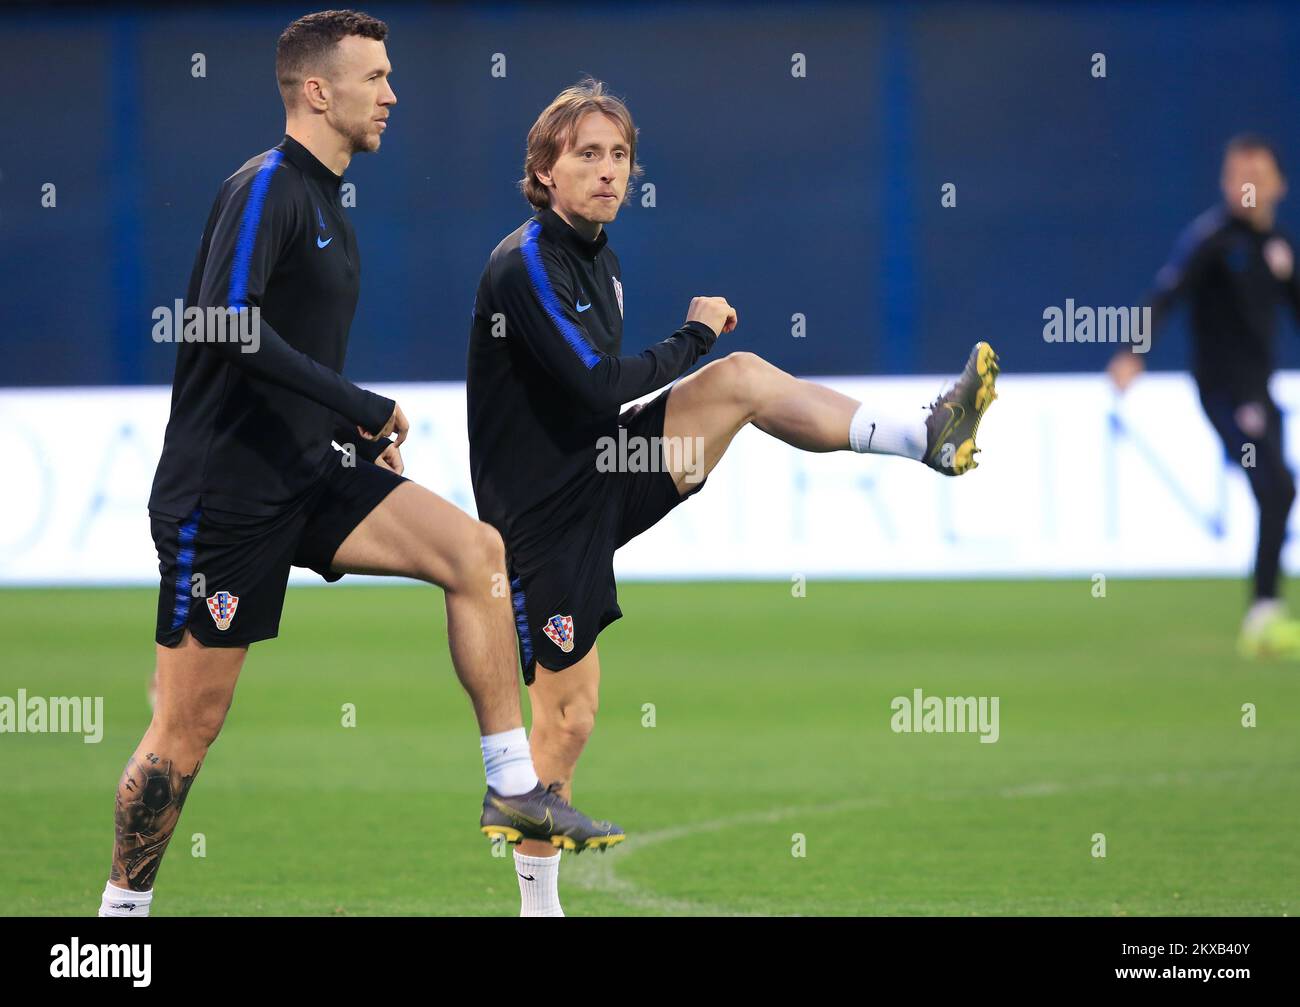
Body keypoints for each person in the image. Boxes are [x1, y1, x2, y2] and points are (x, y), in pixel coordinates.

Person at [101, 11, 616, 919]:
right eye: (374, 77)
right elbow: (226, 325)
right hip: (224, 499)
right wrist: (359, 403)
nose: (391, 94)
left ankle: (511, 784)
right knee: (187, 730)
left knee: (475, 553)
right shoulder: (268, 186)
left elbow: (285, 355)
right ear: (316, 91)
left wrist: (346, 435)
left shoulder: (330, 202)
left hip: (311, 474)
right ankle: (117, 923)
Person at [466, 78, 999, 916]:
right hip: (539, 521)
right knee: (569, 719)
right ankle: (537, 909)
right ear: (545, 169)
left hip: (601, 470)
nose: (609, 171)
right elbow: (601, 386)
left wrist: (701, 356)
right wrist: (694, 335)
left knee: (743, 380)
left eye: (620, 156)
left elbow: (597, 405)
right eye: (588, 155)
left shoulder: (596, 256)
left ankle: (923, 434)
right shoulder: (527, 260)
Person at [1109, 134, 1300, 658]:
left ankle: (1265, 614)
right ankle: (1263, 614)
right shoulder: (1213, 239)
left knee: (1279, 493)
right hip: (1224, 392)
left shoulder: (1278, 248)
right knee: (1278, 487)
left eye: (1258, 177)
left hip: (1260, 393)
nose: (1248, 187)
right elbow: (1166, 294)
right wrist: (1132, 351)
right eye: (1239, 176)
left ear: (1279, 185)